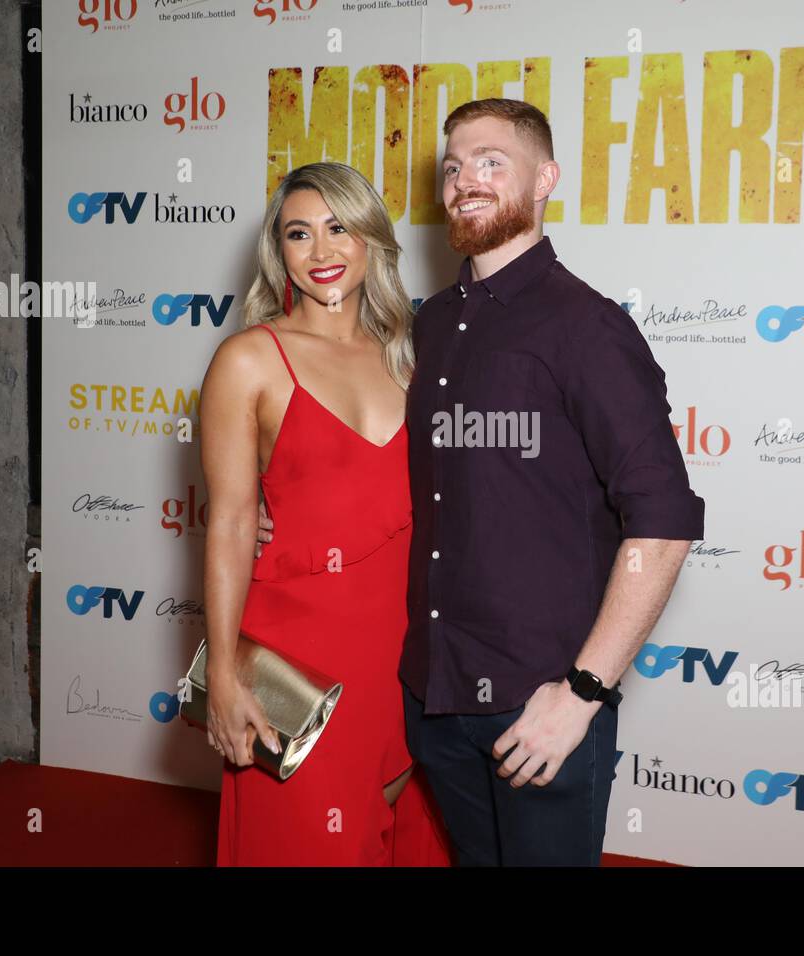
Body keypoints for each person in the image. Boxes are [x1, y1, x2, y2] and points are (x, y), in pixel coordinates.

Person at [261, 100, 706, 866]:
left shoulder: (587, 328)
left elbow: (661, 524)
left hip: (541, 703)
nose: (467, 180)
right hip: (434, 695)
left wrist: (583, 694)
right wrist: (291, 520)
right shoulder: (426, 328)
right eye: (455, 165)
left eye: (493, 161)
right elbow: (394, 475)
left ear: (546, 181)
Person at [200, 161, 451, 866]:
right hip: (300, 665)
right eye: (299, 234)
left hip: (413, 665)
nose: (322, 251)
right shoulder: (250, 360)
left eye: (340, 228)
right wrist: (223, 673)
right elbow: (228, 522)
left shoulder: (414, 357)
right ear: (277, 251)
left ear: (371, 239)